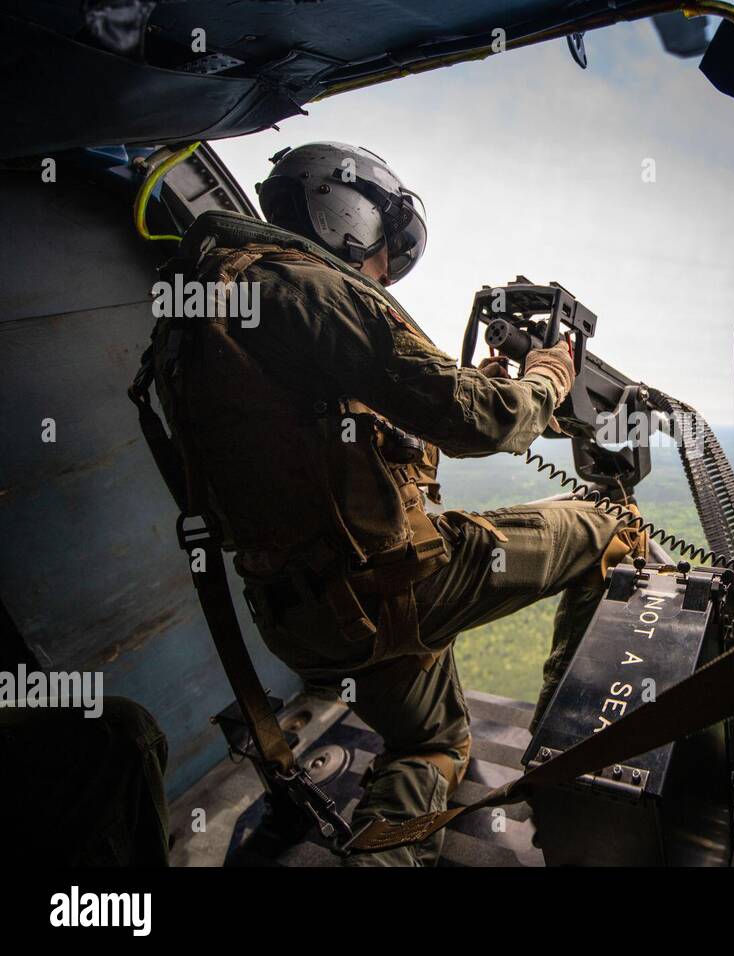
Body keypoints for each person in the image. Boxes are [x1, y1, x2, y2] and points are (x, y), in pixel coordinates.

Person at [147, 142, 642, 866]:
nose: (381, 274)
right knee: (608, 527)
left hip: (298, 616)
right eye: (384, 254)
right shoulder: (303, 287)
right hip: (386, 591)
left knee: (433, 741)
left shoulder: (195, 316)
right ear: (346, 214)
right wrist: (542, 380)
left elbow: (317, 443)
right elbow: (487, 421)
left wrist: (462, 384)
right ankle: (574, 769)